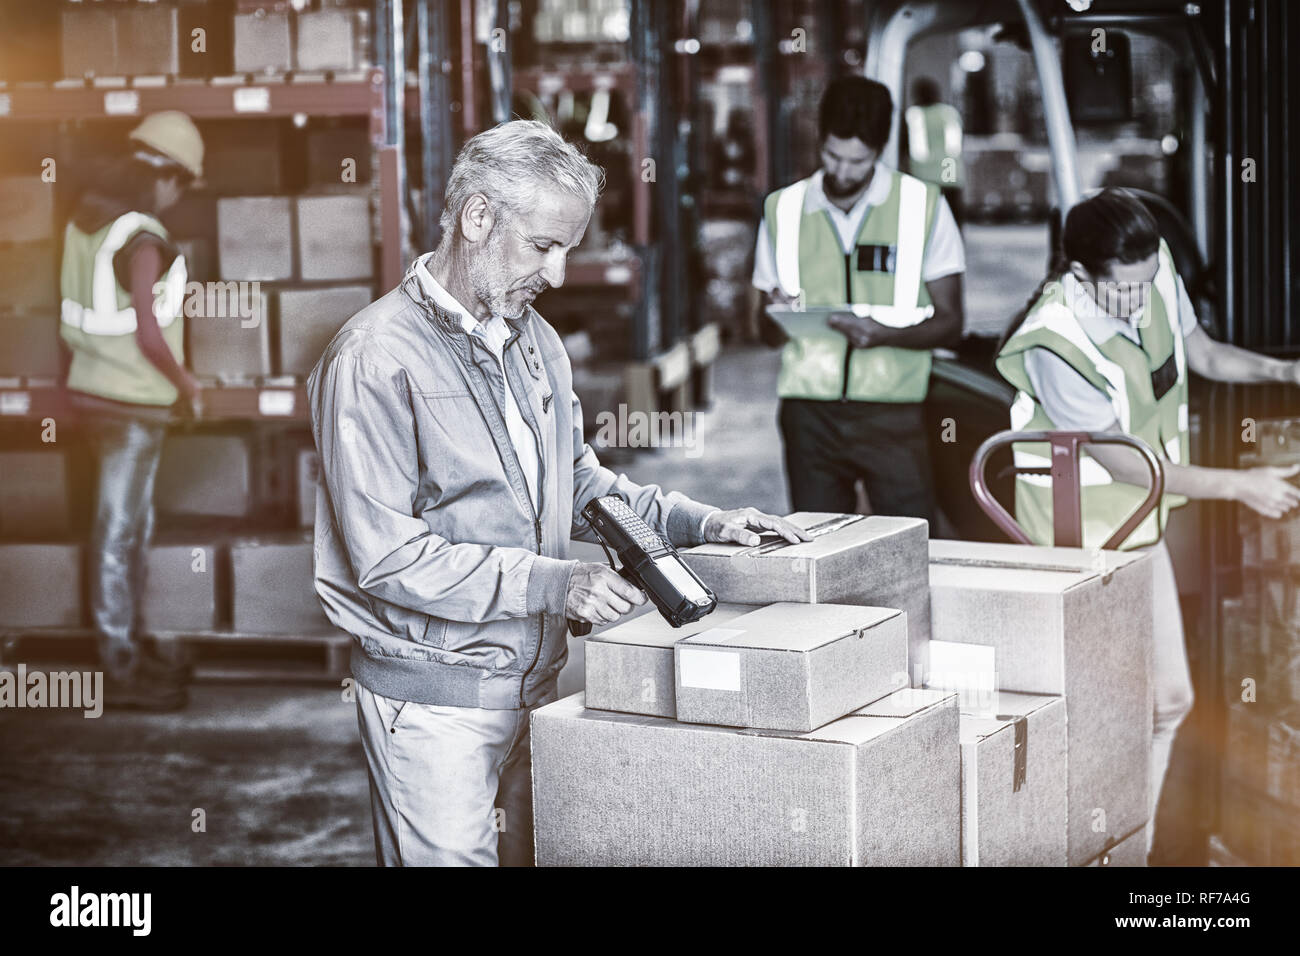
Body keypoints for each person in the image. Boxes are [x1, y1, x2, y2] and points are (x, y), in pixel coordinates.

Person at [308, 120, 808, 867]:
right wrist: (557, 584)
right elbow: (388, 557)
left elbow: (576, 483)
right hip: (434, 702)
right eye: (544, 246)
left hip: (535, 685)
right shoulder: (375, 358)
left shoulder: (532, 340)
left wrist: (702, 522)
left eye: (568, 248)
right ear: (477, 218)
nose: (561, 272)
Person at [995, 187, 1300, 858]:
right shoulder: (1053, 342)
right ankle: (1086, 846)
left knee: (1167, 701)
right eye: (1123, 293)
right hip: (1076, 542)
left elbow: (1207, 356)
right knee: (1098, 717)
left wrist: (1287, 369)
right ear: (1079, 275)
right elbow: (1129, 465)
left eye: (1145, 283)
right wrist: (1240, 486)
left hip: (1137, 529)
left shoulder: (1151, 267)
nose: (1141, 300)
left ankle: (1133, 849)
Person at [752, 75, 966, 524]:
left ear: (881, 150)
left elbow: (951, 323)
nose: (842, 172)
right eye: (832, 155)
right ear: (819, 139)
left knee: (905, 550)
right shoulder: (784, 209)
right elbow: (763, 332)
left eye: (858, 161)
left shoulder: (922, 206)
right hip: (809, 414)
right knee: (819, 552)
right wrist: (774, 311)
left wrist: (883, 334)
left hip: (894, 413)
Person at [61, 111, 206, 711]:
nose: (180, 196)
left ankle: (130, 645)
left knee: (126, 528)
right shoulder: (143, 237)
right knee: (120, 531)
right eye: (184, 184)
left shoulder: (88, 222)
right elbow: (149, 332)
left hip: (92, 393)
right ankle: (118, 663)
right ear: (165, 177)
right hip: (134, 402)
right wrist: (186, 384)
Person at [902, 76, 965, 229]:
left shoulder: (913, 114)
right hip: (948, 170)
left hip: (922, 173)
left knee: (925, 218)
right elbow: (957, 143)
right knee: (951, 214)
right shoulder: (949, 112)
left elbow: (906, 146)